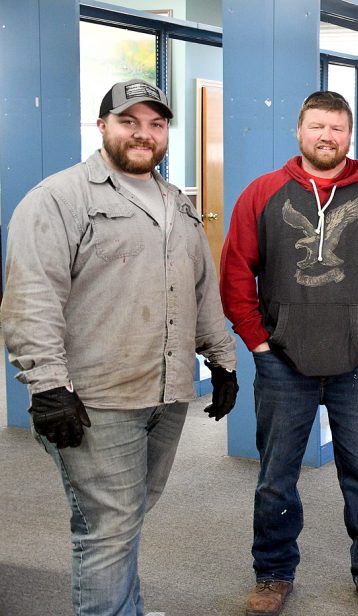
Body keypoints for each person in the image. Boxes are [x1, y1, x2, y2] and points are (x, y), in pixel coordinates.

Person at [0, 79, 238, 616]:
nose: (143, 133)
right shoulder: (58, 199)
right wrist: (48, 386)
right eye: (129, 121)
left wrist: (221, 360)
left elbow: (200, 288)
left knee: (129, 516)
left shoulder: (177, 203)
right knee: (106, 529)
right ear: (102, 125)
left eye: (156, 124)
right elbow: (31, 299)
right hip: (95, 400)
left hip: (166, 393)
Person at [220, 91, 358, 616]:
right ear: (299, 131)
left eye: (337, 128)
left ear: (350, 134)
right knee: (276, 477)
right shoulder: (262, 193)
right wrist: (258, 344)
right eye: (317, 126)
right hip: (282, 363)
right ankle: (273, 573)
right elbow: (235, 272)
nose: (327, 136)